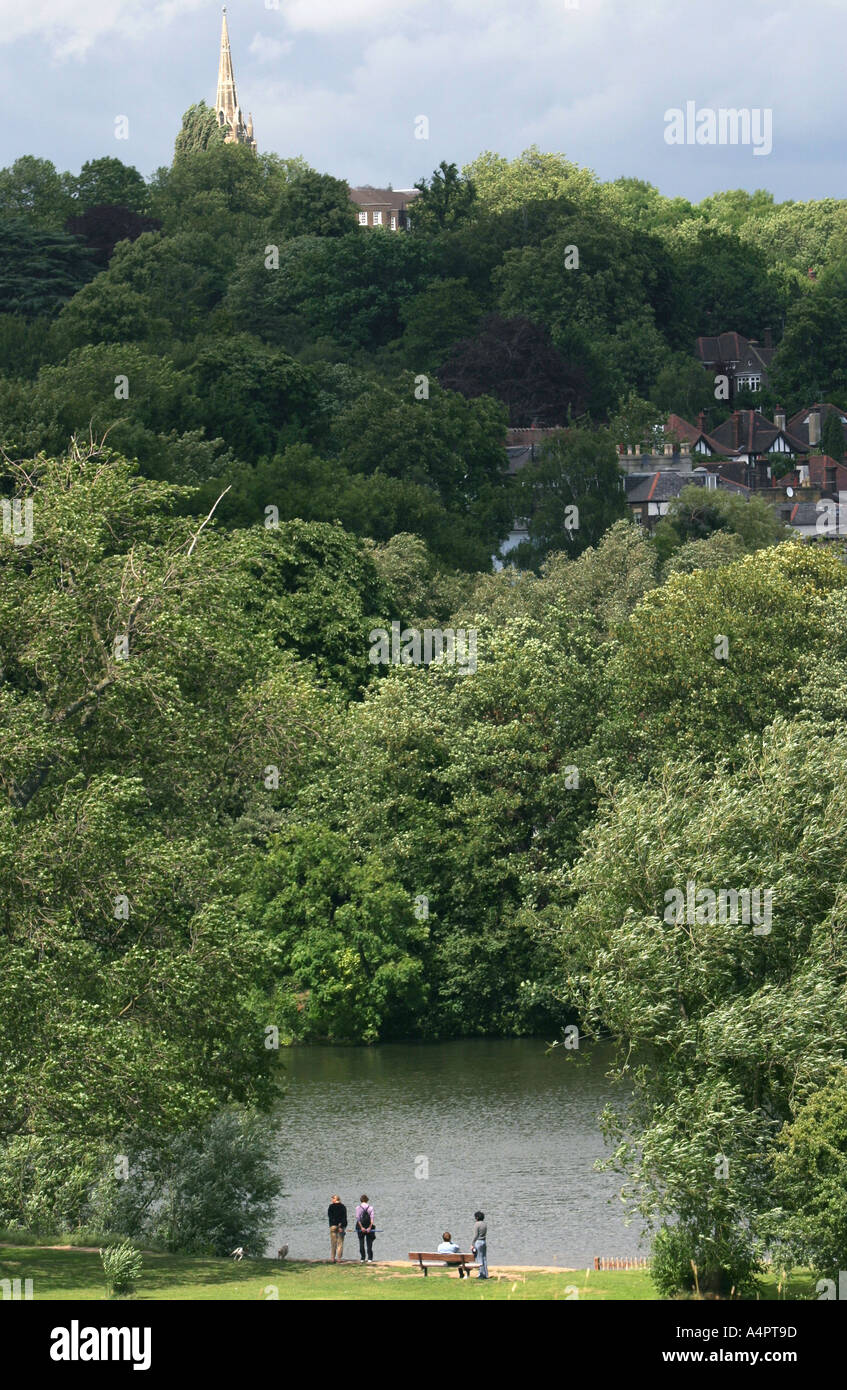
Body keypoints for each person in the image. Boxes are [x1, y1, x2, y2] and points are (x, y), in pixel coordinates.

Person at [355, 1194, 376, 1262]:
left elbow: (358, 1219)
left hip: (360, 1226)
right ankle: (370, 1258)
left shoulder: (358, 1208)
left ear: (361, 1200)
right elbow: (372, 1219)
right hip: (369, 1226)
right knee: (369, 1242)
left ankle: (362, 1258)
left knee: (361, 1242)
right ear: (367, 1200)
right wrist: (369, 1227)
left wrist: (361, 1227)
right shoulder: (371, 1208)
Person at [327, 1195, 347, 1263]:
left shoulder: (331, 1207)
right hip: (341, 1226)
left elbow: (330, 1217)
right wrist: (341, 1226)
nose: (332, 1200)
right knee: (340, 1243)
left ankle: (332, 1258)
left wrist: (334, 1224)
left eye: (332, 1199)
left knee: (333, 1243)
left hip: (333, 1226)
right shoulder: (343, 1207)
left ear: (335, 1199)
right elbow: (344, 1217)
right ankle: (339, 1258)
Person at [471, 1210, 488, 1279]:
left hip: (478, 1242)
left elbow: (476, 1235)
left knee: (479, 1258)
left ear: (477, 1217)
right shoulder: (484, 1224)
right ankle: (485, 1274)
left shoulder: (476, 1224)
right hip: (484, 1241)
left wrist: (472, 1243)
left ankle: (481, 1274)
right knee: (484, 1258)